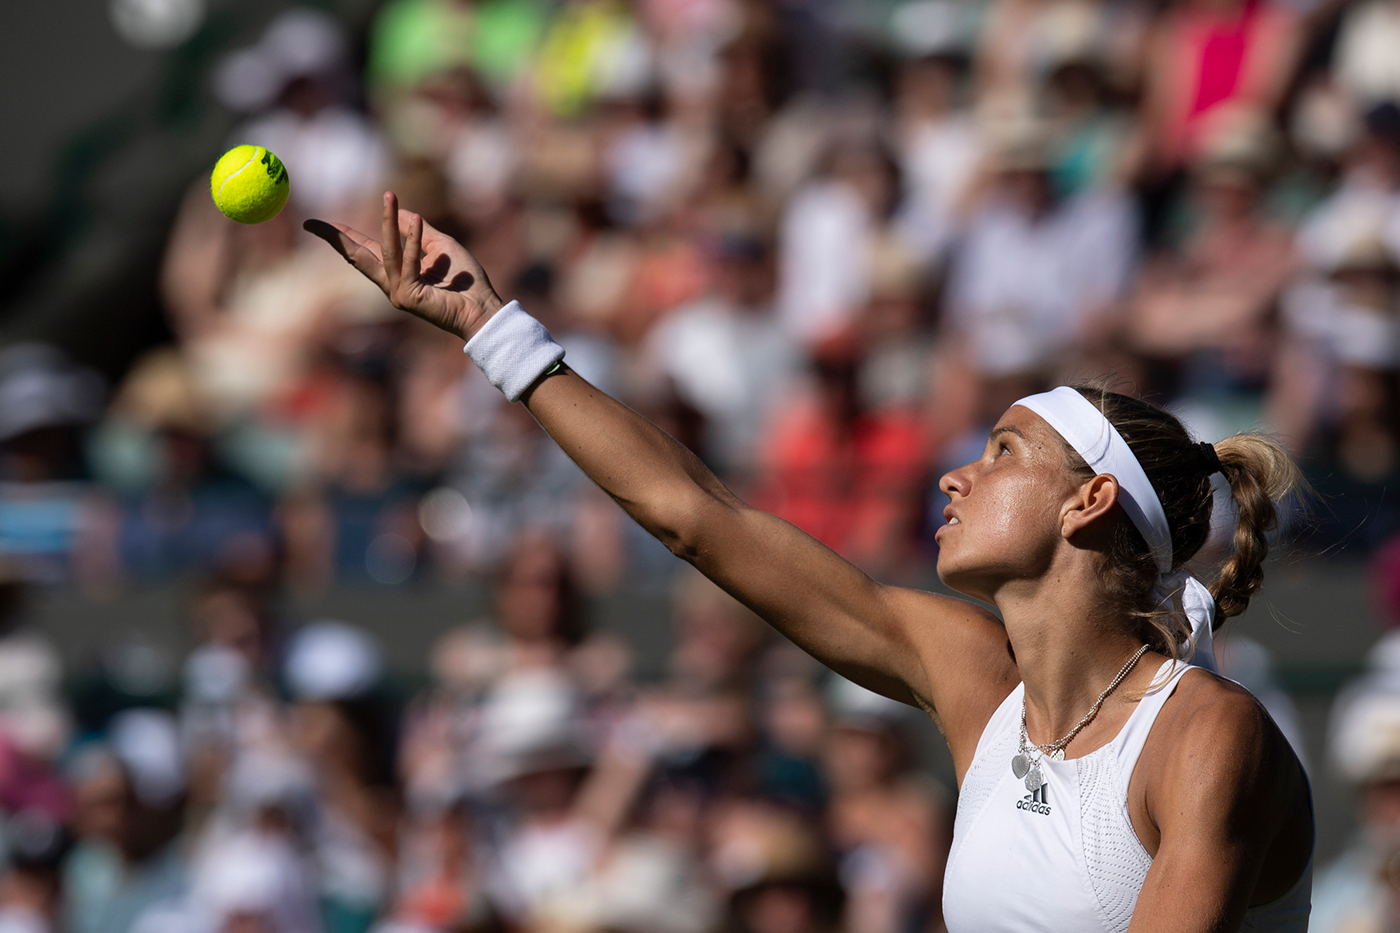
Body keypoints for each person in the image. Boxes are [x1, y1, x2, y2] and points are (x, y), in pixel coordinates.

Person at [305, 192, 1314, 929]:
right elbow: (698, 520)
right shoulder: (977, 681)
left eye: (1003, 451)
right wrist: (493, 330)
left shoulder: (1205, 732)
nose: (954, 476)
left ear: (1088, 503)